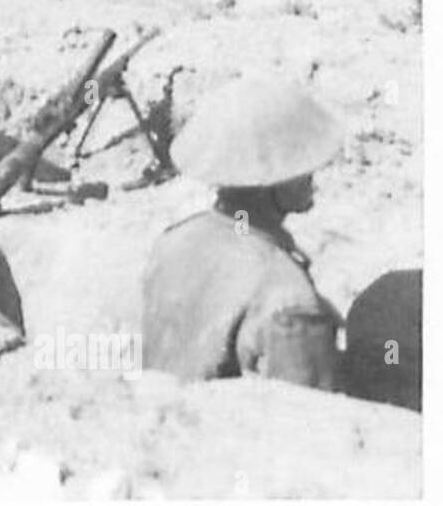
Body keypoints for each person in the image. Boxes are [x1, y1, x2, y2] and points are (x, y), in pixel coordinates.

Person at [141, 78, 344, 388]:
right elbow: (310, 421)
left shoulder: (172, 242)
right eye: (300, 167)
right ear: (270, 182)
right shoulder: (286, 296)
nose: (311, 178)